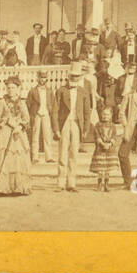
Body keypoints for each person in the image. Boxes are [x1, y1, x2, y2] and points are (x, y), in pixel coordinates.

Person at [0, 75, 31, 197]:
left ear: (18, 88)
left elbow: (27, 119)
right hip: (4, 134)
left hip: (17, 135)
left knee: (16, 160)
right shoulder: (1, 102)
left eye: (13, 87)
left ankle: (16, 188)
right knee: (1, 159)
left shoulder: (22, 102)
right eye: (8, 88)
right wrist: (7, 120)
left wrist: (19, 127)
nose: (10, 90)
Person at [55, 62, 94, 192]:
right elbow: (55, 111)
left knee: (74, 154)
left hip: (77, 124)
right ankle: (61, 183)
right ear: (68, 76)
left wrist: (86, 129)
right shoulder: (61, 90)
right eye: (72, 76)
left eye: (77, 76)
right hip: (64, 123)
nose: (74, 78)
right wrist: (56, 128)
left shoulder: (83, 92)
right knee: (62, 153)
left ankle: (71, 183)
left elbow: (87, 112)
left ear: (80, 77)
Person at [89, 104, 122, 192]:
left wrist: (110, 143)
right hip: (100, 149)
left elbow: (114, 136)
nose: (105, 116)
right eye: (103, 114)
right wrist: (102, 143)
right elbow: (97, 135)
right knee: (100, 169)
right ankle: (100, 183)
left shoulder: (113, 126)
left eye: (107, 115)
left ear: (111, 115)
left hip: (109, 149)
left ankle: (107, 183)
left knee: (107, 168)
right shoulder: (98, 125)